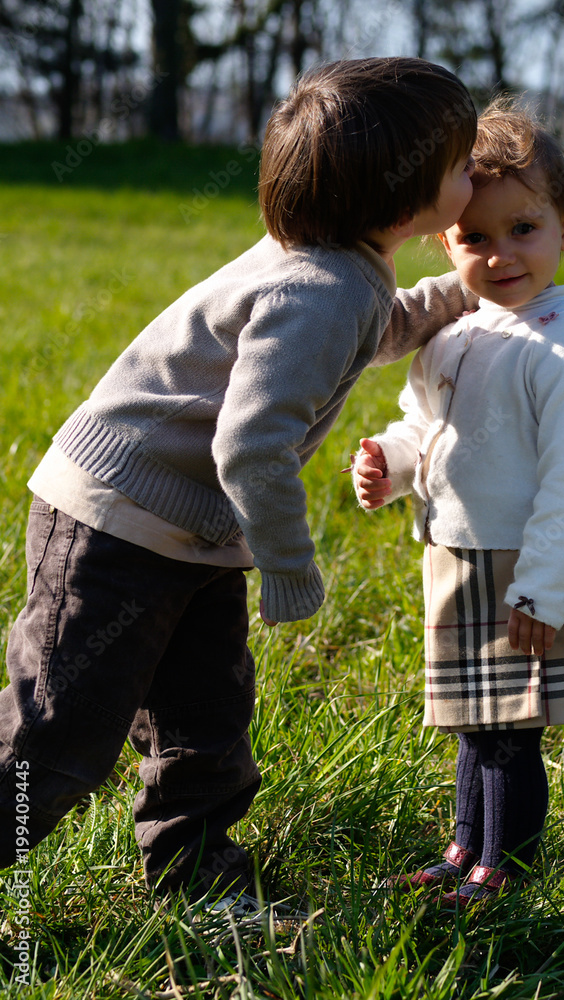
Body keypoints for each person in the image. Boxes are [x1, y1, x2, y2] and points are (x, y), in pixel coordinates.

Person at [0, 57, 479, 913]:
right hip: (118, 529)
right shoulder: (322, 290)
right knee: (57, 734)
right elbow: (252, 446)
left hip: (184, 531)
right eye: (463, 165)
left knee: (204, 713)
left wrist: (457, 294)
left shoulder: (338, 265)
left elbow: (371, 329)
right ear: (408, 203)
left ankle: (197, 879)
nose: (475, 177)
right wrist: (289, 563)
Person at [352, 97, 564, 909]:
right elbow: (428, 425)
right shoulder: (456, 332)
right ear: (446, 241)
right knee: (475, 721)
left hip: (525, 567)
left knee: (511, 731)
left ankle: (506, 866)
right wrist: (392, 461)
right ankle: (465, 846)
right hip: (460, 553)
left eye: (524, 229)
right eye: (475, 237)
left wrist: (544, 589)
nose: (500, 255)